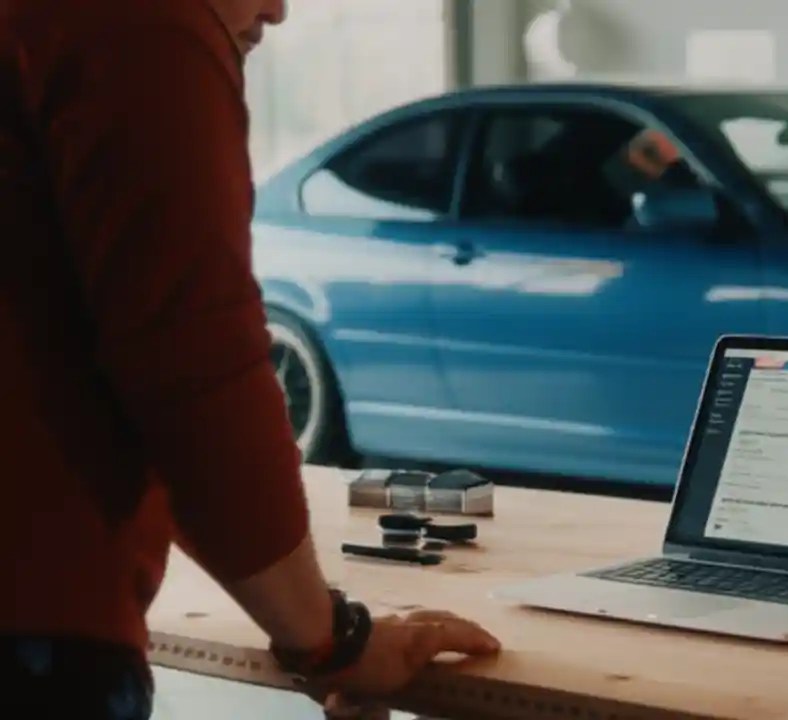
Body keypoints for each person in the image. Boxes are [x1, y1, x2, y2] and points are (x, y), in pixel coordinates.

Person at [0, 0, 501, 717]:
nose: (279, 9)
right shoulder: (138, 23)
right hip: (31, 630)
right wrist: (332, 642)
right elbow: (191, 369)